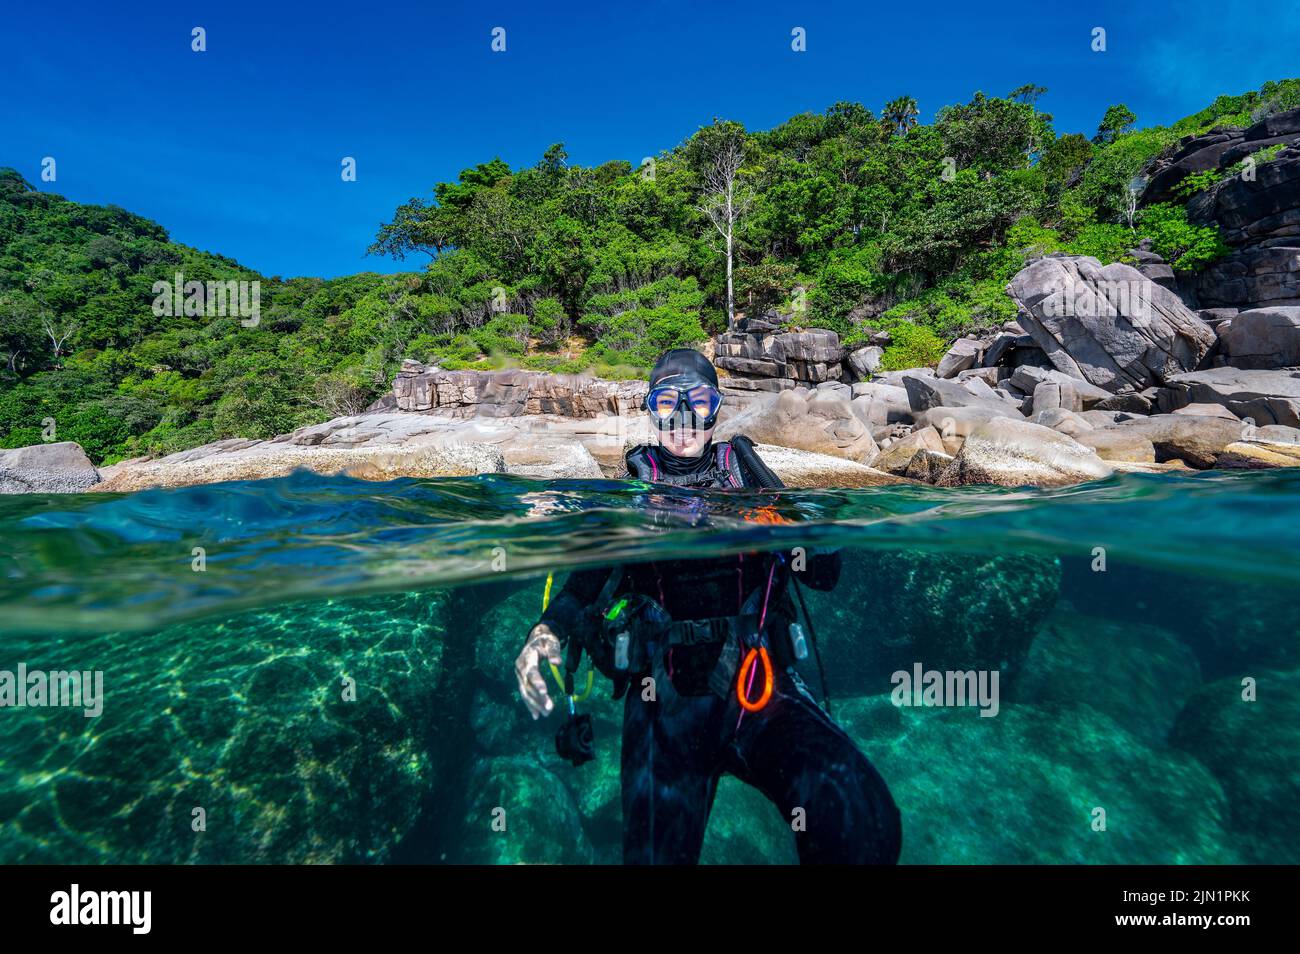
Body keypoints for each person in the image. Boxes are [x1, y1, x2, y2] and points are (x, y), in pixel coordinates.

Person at [514, 349, 901, 864]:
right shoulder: (630, 495)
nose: (683, 418)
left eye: (698, 401)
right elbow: (582, 586)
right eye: (666, 402)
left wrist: (790, 518)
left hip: (760, 690)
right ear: (650, 411)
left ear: (716, 409)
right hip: (663, 705)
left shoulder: (747, 478)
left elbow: (824, 575)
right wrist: (546, 632)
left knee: (863, 822)